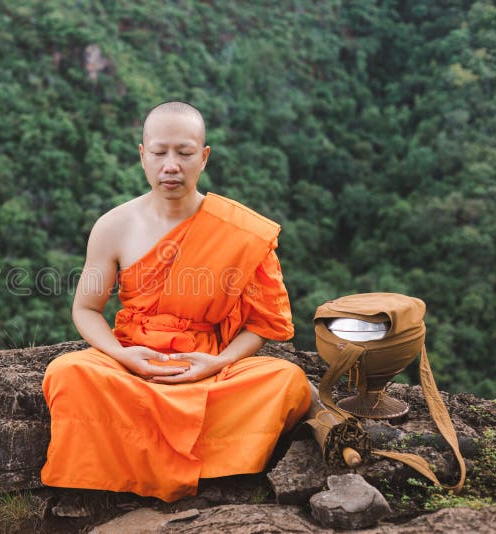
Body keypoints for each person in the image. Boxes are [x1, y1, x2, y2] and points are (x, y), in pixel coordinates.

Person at [40, 101, 310, 502]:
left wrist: (219, 363)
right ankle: (201, 466)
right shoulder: (113, 227)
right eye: (160, 152)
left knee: (286, 381)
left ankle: (140, 463)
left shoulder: (240, 231)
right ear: (142, 156)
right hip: (133, 360)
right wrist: (122, 355)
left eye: (184, 153)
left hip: (206, 367)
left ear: (203, 158)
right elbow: (86, 308)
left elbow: (262, 323)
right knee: (66, 373)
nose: (171, 166)